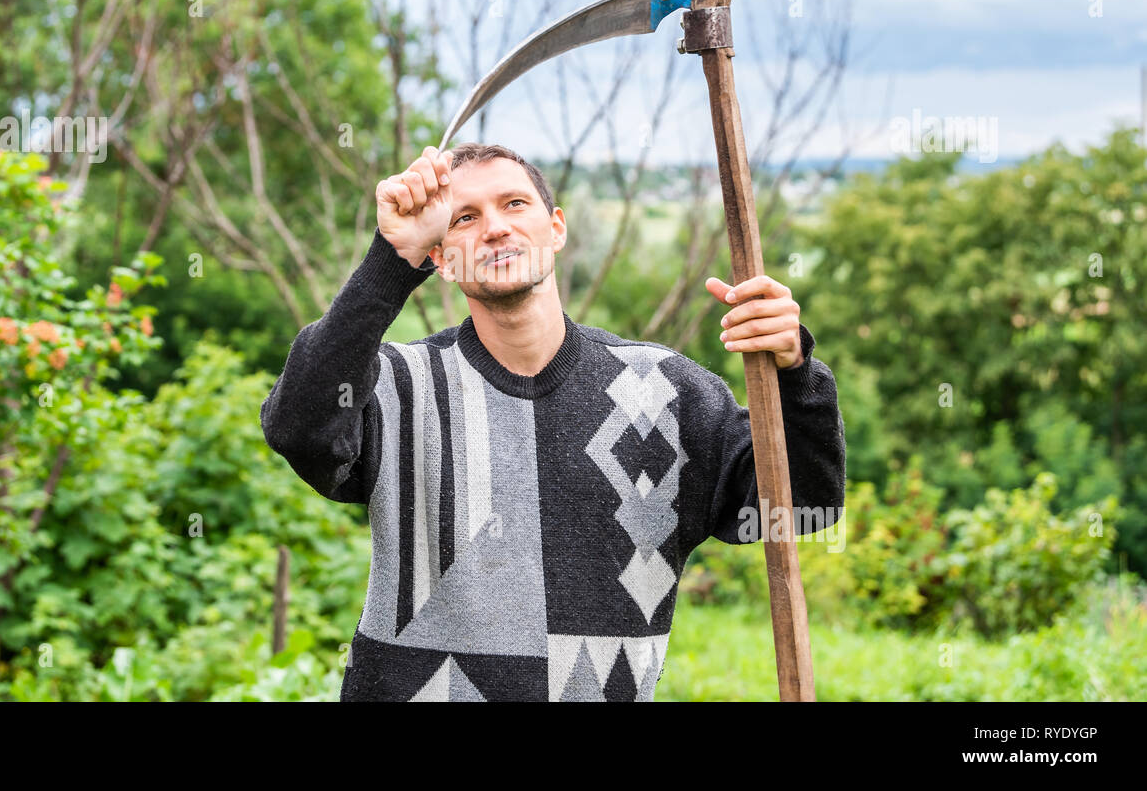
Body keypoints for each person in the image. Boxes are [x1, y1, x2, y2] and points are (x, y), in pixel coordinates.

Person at [261, 142, 846, 701]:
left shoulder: (668, 393)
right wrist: (389, 263)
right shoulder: (399, 387)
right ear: (439, 259)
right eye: (464, 218)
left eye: (515, 204)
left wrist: (794, 371)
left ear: (556, 227)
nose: (494, 226)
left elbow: (798, 505)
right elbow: (299, 429)